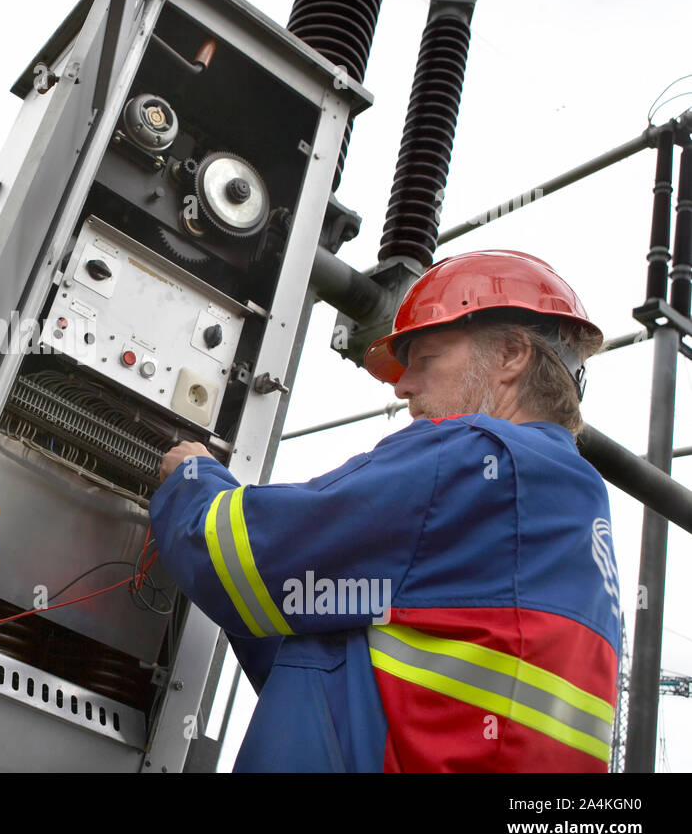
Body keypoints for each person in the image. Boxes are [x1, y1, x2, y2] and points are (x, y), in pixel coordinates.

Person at [149, 250, 622, 772]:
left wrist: (194, 481)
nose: (403, 385)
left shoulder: (480, 456)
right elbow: (332, 666)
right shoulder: (569, 512)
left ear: (511, 355)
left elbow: (242, 556)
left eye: (426, 359)